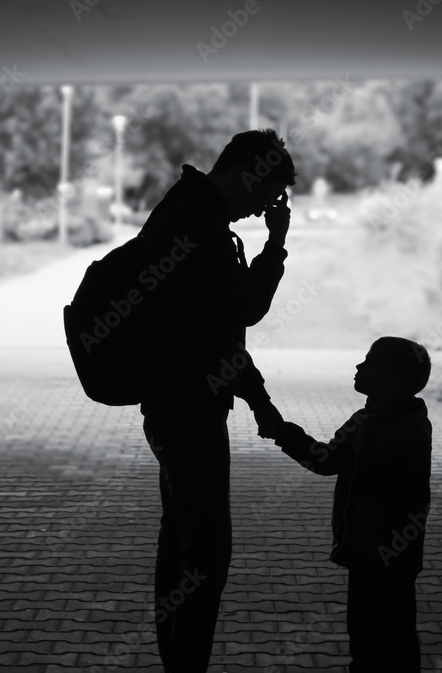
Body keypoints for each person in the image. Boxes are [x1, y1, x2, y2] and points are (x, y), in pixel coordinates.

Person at [136, 129, 295, 672]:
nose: (260, 210)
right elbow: (241, 312)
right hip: (186, 408)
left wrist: (257, 399)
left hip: (178, 402)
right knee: (205, 554)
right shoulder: (197, 226)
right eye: (264, 196)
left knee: (182, 543)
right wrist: (275, 245)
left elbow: (216, 329)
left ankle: (178, 663)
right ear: (245, 175)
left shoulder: (190, 214)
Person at [271, 336, 433, 671]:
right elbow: (327, 460)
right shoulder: (367, 418)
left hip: (387, 561)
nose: (359, 366)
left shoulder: (404, 435)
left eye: (370, 362)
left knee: (389, 643)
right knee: (371, 640)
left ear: (394, 381)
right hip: (368, 555)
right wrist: (283, 433)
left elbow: (406, 503)